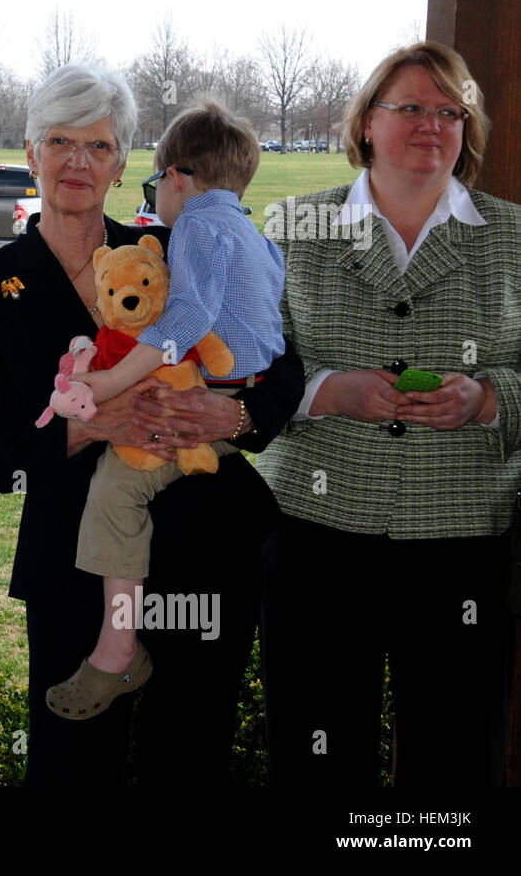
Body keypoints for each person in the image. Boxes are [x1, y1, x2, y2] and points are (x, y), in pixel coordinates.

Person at [0, 63, 304, 785]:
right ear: (30, 152)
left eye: (100, 146)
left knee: (189, 755)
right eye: (60, 141)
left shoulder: (178, 250)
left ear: (121, 165)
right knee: (72, 766)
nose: (78, 161)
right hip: (76, 564)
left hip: (208, 545)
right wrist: (95, 425)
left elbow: (284, 366)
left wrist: (232, 412)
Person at [256, 41, 518, 786]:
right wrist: (326, 391)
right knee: (317, 751)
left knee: (457, 758)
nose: (431, 124)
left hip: (462, 541)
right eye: (410, 107)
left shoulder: (516, 237)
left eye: (450, 111)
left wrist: (489, 396)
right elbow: (246, 365)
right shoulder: (292, 226)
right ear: (367, 122)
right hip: (316, 538)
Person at [45, 99, 286, 719]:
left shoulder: (193, 231)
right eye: (60, 143)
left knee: (115, 493)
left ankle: (117, 650)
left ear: (175, 176)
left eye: (100, 147)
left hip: (209, 451)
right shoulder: (253, 237)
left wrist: (112, 382)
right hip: (221, 401)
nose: (158, 203)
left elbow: (192, 317)